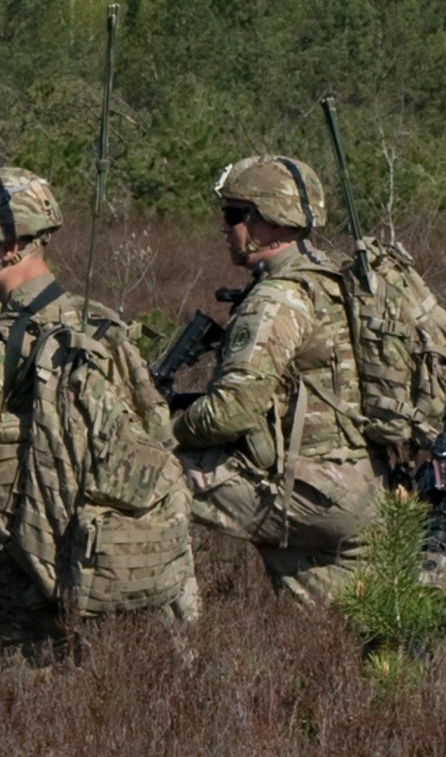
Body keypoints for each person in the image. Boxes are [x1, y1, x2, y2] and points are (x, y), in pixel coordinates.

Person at [0, 167, 197, 664]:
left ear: (5, 244)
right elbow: (159, 437)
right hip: (106, 568)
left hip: (23, 592)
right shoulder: (103, 325)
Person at [174, 155, 382, 605]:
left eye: (233, 216)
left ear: (266, 221)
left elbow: (232, 412)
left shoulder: (277, 297)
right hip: (366, 486)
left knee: (157, 480)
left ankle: (174, 645)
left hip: (315, 488)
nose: (224, 228)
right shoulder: (334, 278)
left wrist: (167, 431)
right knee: (340, 622)